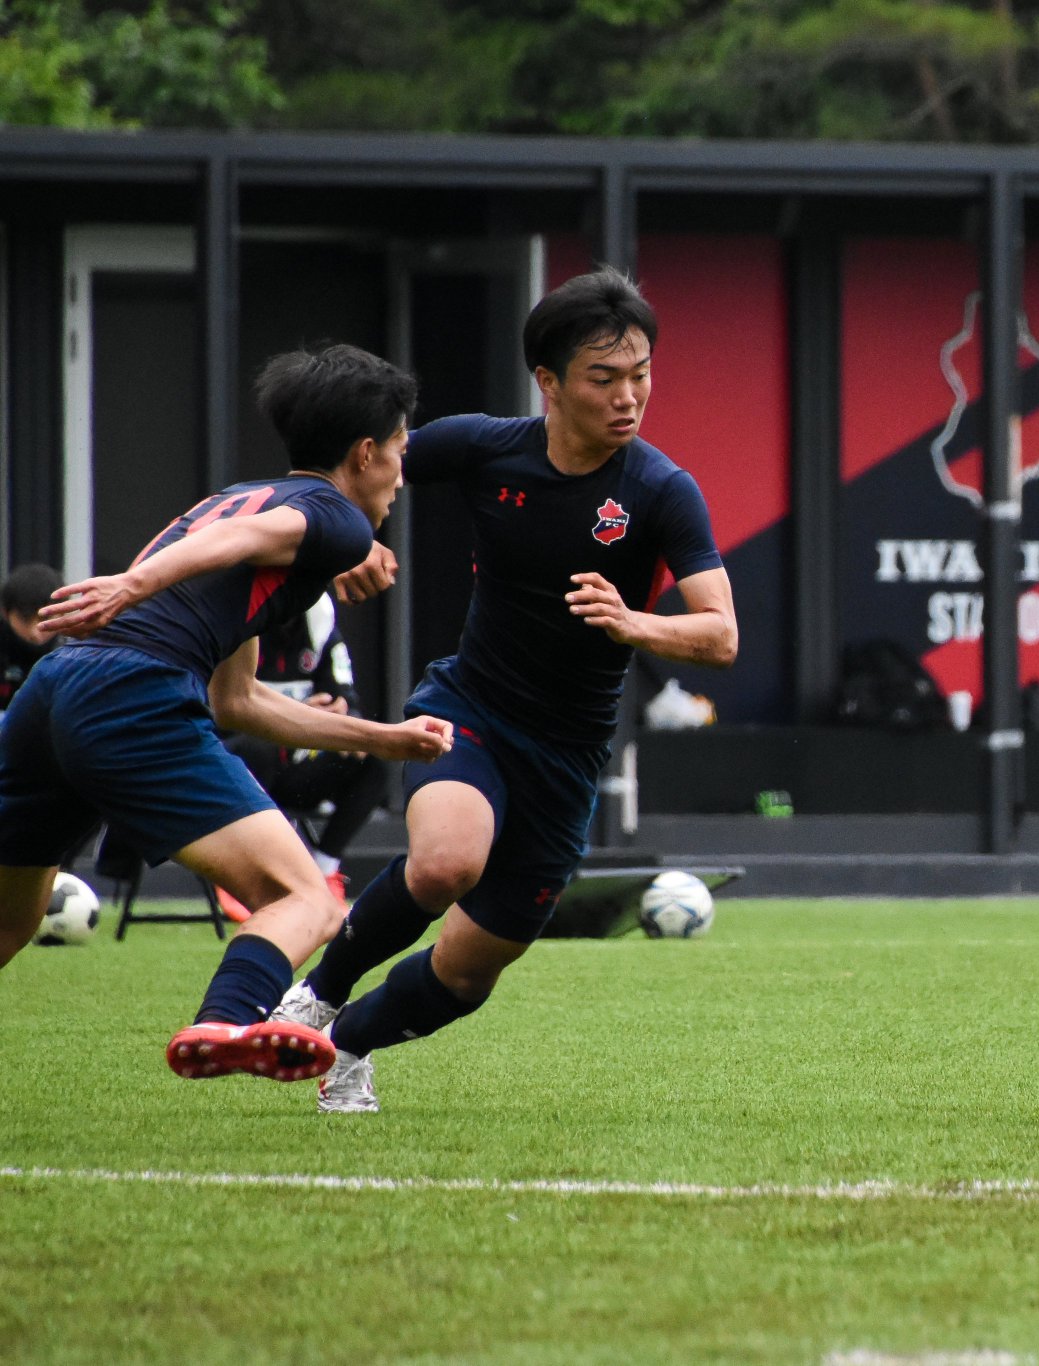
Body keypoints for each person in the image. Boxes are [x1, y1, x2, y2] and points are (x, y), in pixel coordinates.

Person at [273, 266, 736, 1114]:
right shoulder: (488, 447)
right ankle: (319, 992)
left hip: (568, 756)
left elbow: (720, 633)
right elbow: (358, 468)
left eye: (640, 375)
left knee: (470, 970)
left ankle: (343, 1047)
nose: (628, 396)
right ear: (550, 383)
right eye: (604, 378)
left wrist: (639, 624)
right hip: (471, 709)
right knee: (448, 860)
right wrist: (349, 539)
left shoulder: (662, 490)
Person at [0, 345, 454, 1083]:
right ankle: (228, 1020)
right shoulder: (335, 517)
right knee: (305, 897)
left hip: (54, 690)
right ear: (366, 452)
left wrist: (384, 739)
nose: (403, 473)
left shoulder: (242, 495)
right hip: (129, 693)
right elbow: (251, 540)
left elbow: (236, 700)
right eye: (401, 450)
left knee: (10, 924)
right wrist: (132, 583)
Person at [207, 592, 385, 919]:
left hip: (290, 770)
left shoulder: (319, 623)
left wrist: (342, 720)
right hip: (229, 768)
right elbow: (216, 717)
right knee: (256, 749)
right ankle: (239, 874)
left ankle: (323, 871)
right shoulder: (235, 623)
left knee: (371, 753)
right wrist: (293, 716)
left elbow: (345, 698)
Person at [1, 563, 61, 710]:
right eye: (25, 619)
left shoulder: (78, 651)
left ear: (63, 611)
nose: (35, 632)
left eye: (45, 619)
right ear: (5, 612)